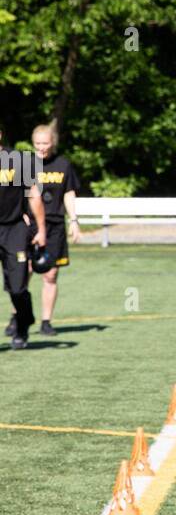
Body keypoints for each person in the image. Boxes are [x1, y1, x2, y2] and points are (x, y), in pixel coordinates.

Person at [27, 124, 82, 336]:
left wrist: (74, 221)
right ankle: (18, 317)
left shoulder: (63, 165)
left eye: (46, 143)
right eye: (38, 143)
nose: (42, 147)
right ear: (33, 143)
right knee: (24, 273)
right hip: (30, 225)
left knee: (50, 275)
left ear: (53, 143)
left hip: (56, 226)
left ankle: (46, 322)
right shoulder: (26, 165)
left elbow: (69, 194)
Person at [0, 126, 47, 350]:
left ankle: (23, 325)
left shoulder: (18, 160)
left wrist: (41, 229)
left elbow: (34, 195)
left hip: (14, 229)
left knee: (18, 287)